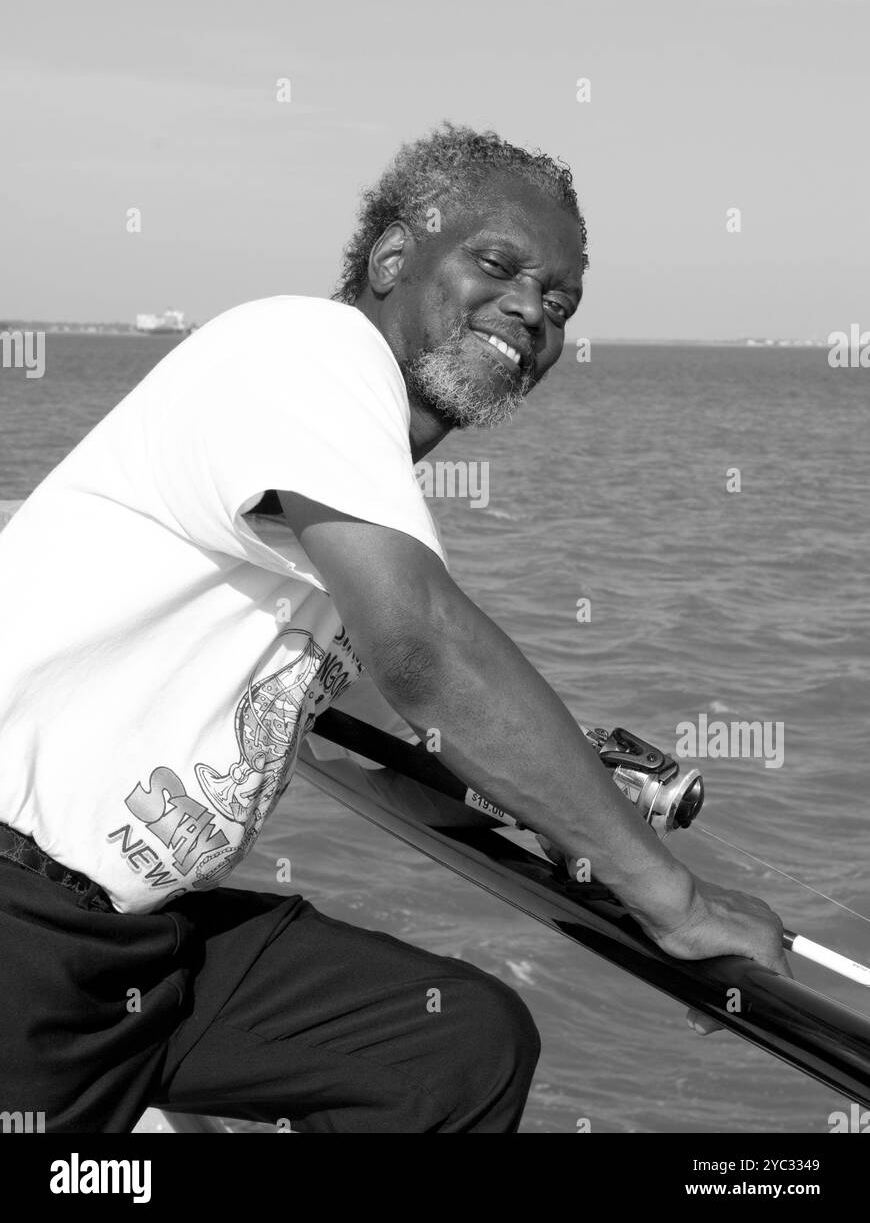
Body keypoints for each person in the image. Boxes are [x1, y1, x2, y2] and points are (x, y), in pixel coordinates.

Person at [0, 123, 788, 1134]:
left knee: (453, 1051)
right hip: (21, 929)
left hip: (127, 950)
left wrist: (568, 795)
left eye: (560, 302)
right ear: (391, 257)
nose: (532, 312)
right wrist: (674, 901)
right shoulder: (306, 350)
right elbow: (423, 648)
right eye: (500, 265)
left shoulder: (348, 484)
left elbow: (377, 685)